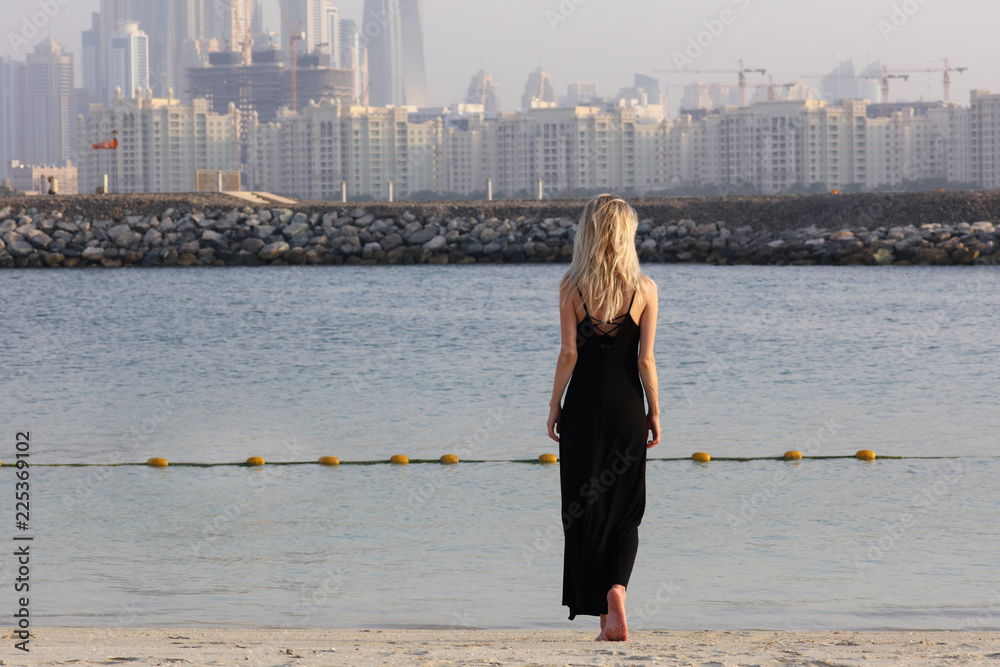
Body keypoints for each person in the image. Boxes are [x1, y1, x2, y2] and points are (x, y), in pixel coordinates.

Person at [546, 194, 660, 642]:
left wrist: (554, 405)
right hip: (627, 408)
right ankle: (617, 593)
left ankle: (601, 612)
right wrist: (654, 410)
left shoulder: (571, 286)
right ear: (626, 235)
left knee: (583, 510)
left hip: (584, 410)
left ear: (589, 233)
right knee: (626, 513)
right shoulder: (645, 289)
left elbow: (570, 353)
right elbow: (646, 360)